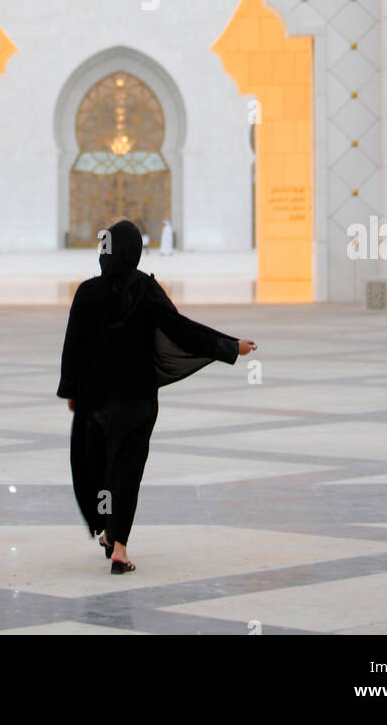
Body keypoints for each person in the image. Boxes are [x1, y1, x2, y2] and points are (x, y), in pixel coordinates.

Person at [57, 218, 256, 574]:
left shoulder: (87, 293)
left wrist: (70, 391)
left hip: (95, 401)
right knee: (127, 470)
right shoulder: (147, 291)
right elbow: (182, 331)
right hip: (137, 400)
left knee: (100, 468)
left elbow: (73, 346)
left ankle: (105, 527)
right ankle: (118, 545)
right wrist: (230, 347)